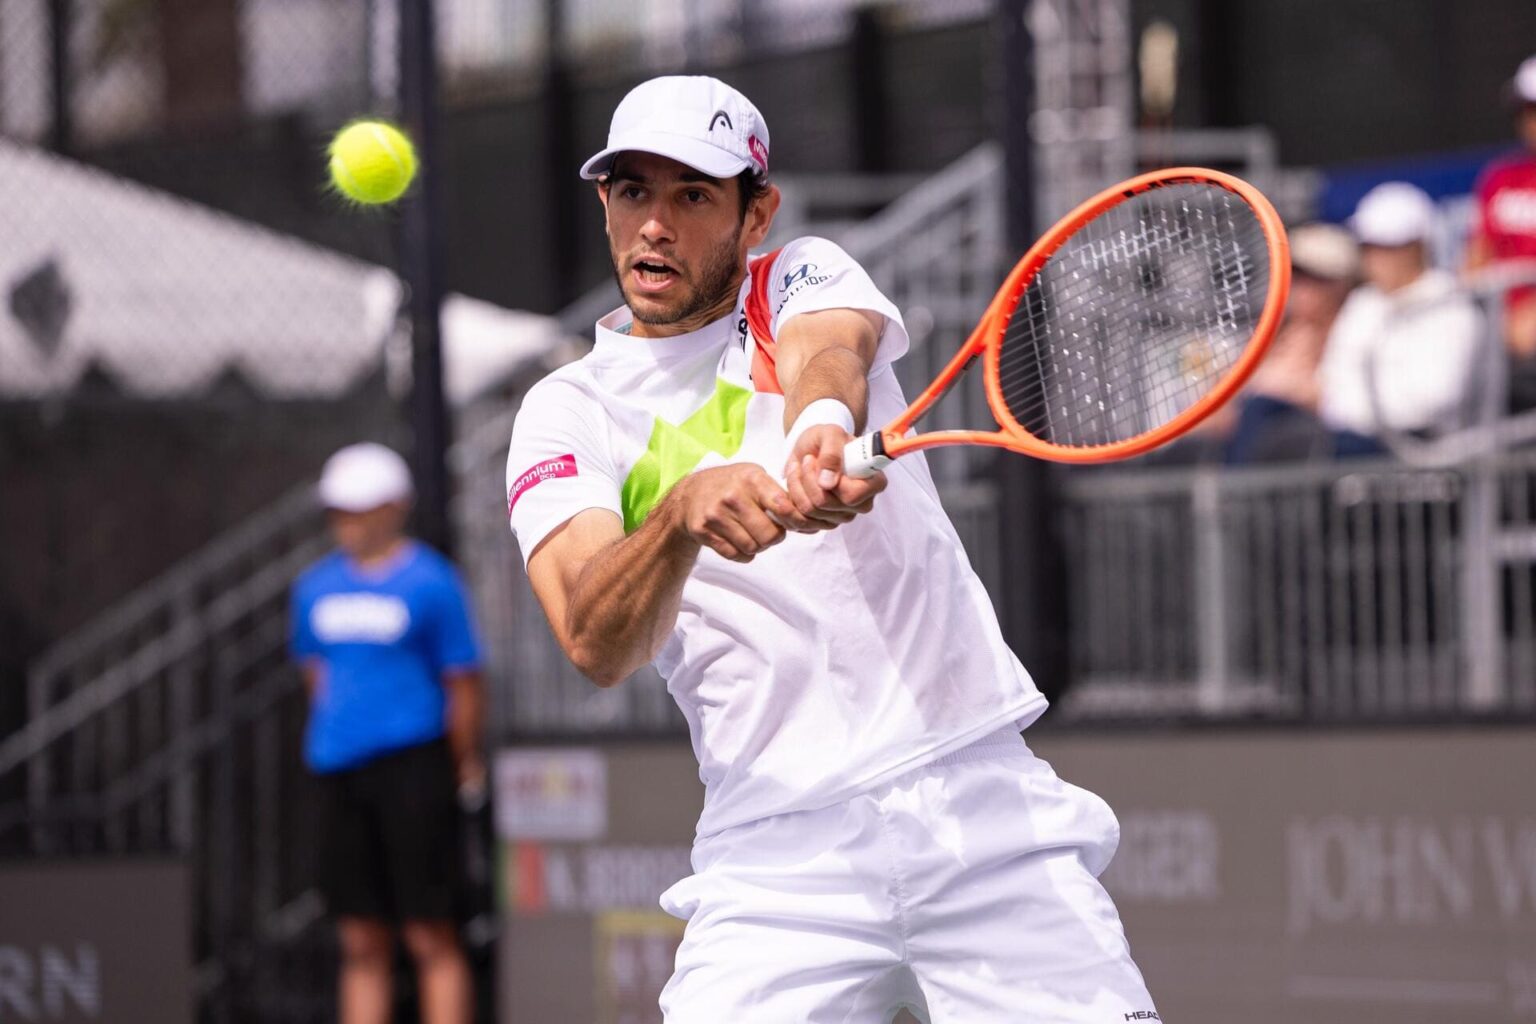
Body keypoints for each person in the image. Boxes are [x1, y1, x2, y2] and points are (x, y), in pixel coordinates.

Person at [505, 75, 1154, 1022]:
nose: (656, 224)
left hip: (972, 799)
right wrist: (679, 519)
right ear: (604, 201)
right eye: (635, 190)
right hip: (776, 852)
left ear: (755, 212)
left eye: (694, 196)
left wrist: (817, 424)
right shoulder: (566, 412)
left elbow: (830, 351)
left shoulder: (799, 276)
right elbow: (595, 639)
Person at [290, 442, 484, 1024]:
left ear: (395, 507)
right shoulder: (313, 588)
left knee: (430, 935)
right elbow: (314, 672)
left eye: (361, 509)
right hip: (340, 771)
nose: (348, 523)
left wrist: (459, 762)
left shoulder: (432, 582)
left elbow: (463, 681)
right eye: (339, 510)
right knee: (361, 940)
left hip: (415, 772)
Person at [1317, 182, 1484, 448]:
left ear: (1418, 247)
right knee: (1271, 418)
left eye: (1388, 246)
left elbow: (1431, 401)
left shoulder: (1453, 306)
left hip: (1423, 448)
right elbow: (1331, 379)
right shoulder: (1363, 302)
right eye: (1368, 247)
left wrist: (1352, 408)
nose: (1374, 258)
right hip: (1352, 440)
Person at [1223, 222, 1360, 462]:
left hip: (1329, 450)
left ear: (1340, 285)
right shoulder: (1275, 334)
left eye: (1313, 278)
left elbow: (1337, 399)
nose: (1299, 287)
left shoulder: (1356, 328)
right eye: (1294, 275)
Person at [1465, 54, 1536, 409]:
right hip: (1498, 331)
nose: (1532, 121)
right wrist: (1499, 322)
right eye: (1526, 111)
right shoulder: (1500, 178)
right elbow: (1474, 262)